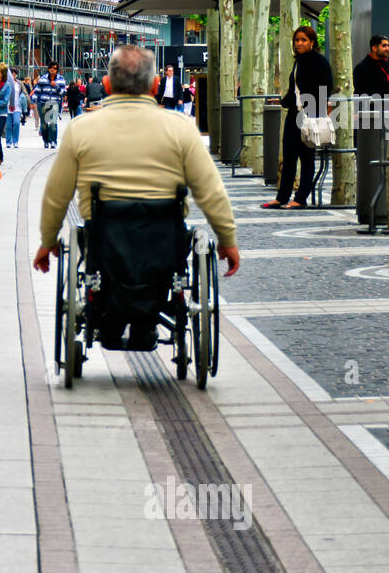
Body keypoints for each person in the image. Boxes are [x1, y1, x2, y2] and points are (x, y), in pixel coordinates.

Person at [34, 45, 239, 349]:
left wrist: (48, 239)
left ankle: (108, 318)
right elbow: (210, 191)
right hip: (164, 238)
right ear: (156, 85)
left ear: (107, 84)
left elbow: (57, 193)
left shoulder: (81, 129)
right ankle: (147, 321)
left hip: (103, 238)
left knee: (95, 244)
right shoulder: (181, 128)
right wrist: (227, 239)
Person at [263, 25, 335, 210]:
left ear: (312, 42)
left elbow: (326, 88)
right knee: (288, 157)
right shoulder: (298, 62)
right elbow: (294, 91)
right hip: (295, 114)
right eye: (297, 40)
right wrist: (282, 101)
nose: (299, 43)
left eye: (304, 40)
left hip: (310, 115)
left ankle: (301, 198)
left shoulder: (319, 62)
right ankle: (282, 197)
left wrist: (315, 111)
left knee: (306, 158)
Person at [352, 33, 389, 144]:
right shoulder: (361, 68)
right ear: (374, 48)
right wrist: (357, 112)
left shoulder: (388, 65)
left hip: (386, 110)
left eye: (388, 45)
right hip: (368, 112)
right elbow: (358, 92)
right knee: (367, 144)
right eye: (384, 45)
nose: (388, 48)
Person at [32, 62, 67, 148]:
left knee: (53, 122)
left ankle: (53, 141)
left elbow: (64, 93)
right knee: (44, 124)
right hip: (43, 103)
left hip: (54, 102)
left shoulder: (61, 79)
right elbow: (37, 91)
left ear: (57, 70)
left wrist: (56, 86)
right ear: (48, 69)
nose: (52, 69)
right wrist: (33, 101)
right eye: (51, 67)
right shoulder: (43, 79)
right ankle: (46, 140)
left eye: (54, 68)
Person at [6, 67, 23, 149]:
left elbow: (24, 93)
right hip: (7, 107)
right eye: (11, 74)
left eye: (14, 74)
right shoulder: (5, 83)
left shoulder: (19, 83)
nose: (13, 75)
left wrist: (29, 103)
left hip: (17, 107)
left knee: (16, 123)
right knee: (8, 125)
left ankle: (15, 141)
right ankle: (8, 141)